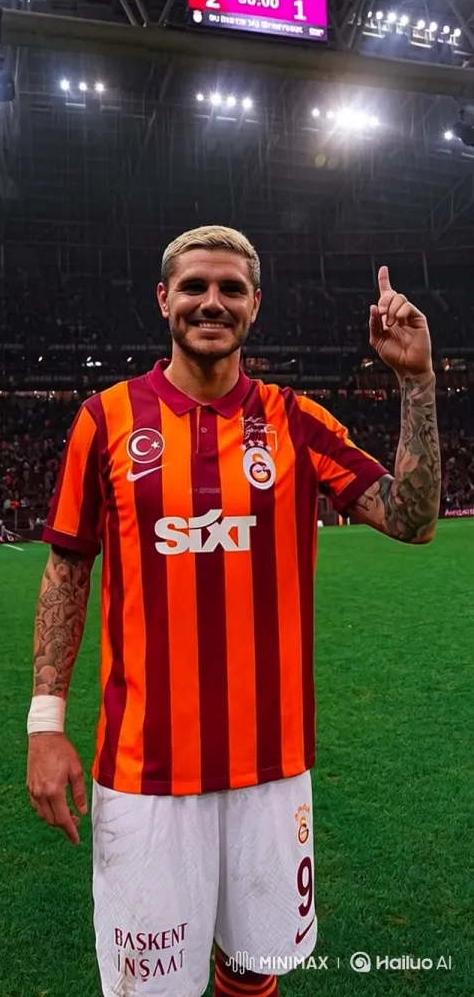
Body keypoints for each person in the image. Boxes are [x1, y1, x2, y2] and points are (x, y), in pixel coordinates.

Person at [26, 226, 441, 997]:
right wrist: (45, 729)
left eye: (230, 289)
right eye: (193, 287)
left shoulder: (296, 422)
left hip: (272, 770)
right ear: (164, 300)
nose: (210, 302)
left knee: (256, 969)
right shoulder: (106, 420)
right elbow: (66, 572)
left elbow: (413, 518)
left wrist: (416, 382)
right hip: (144, 772)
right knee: (152, 987)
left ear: (255, 304)